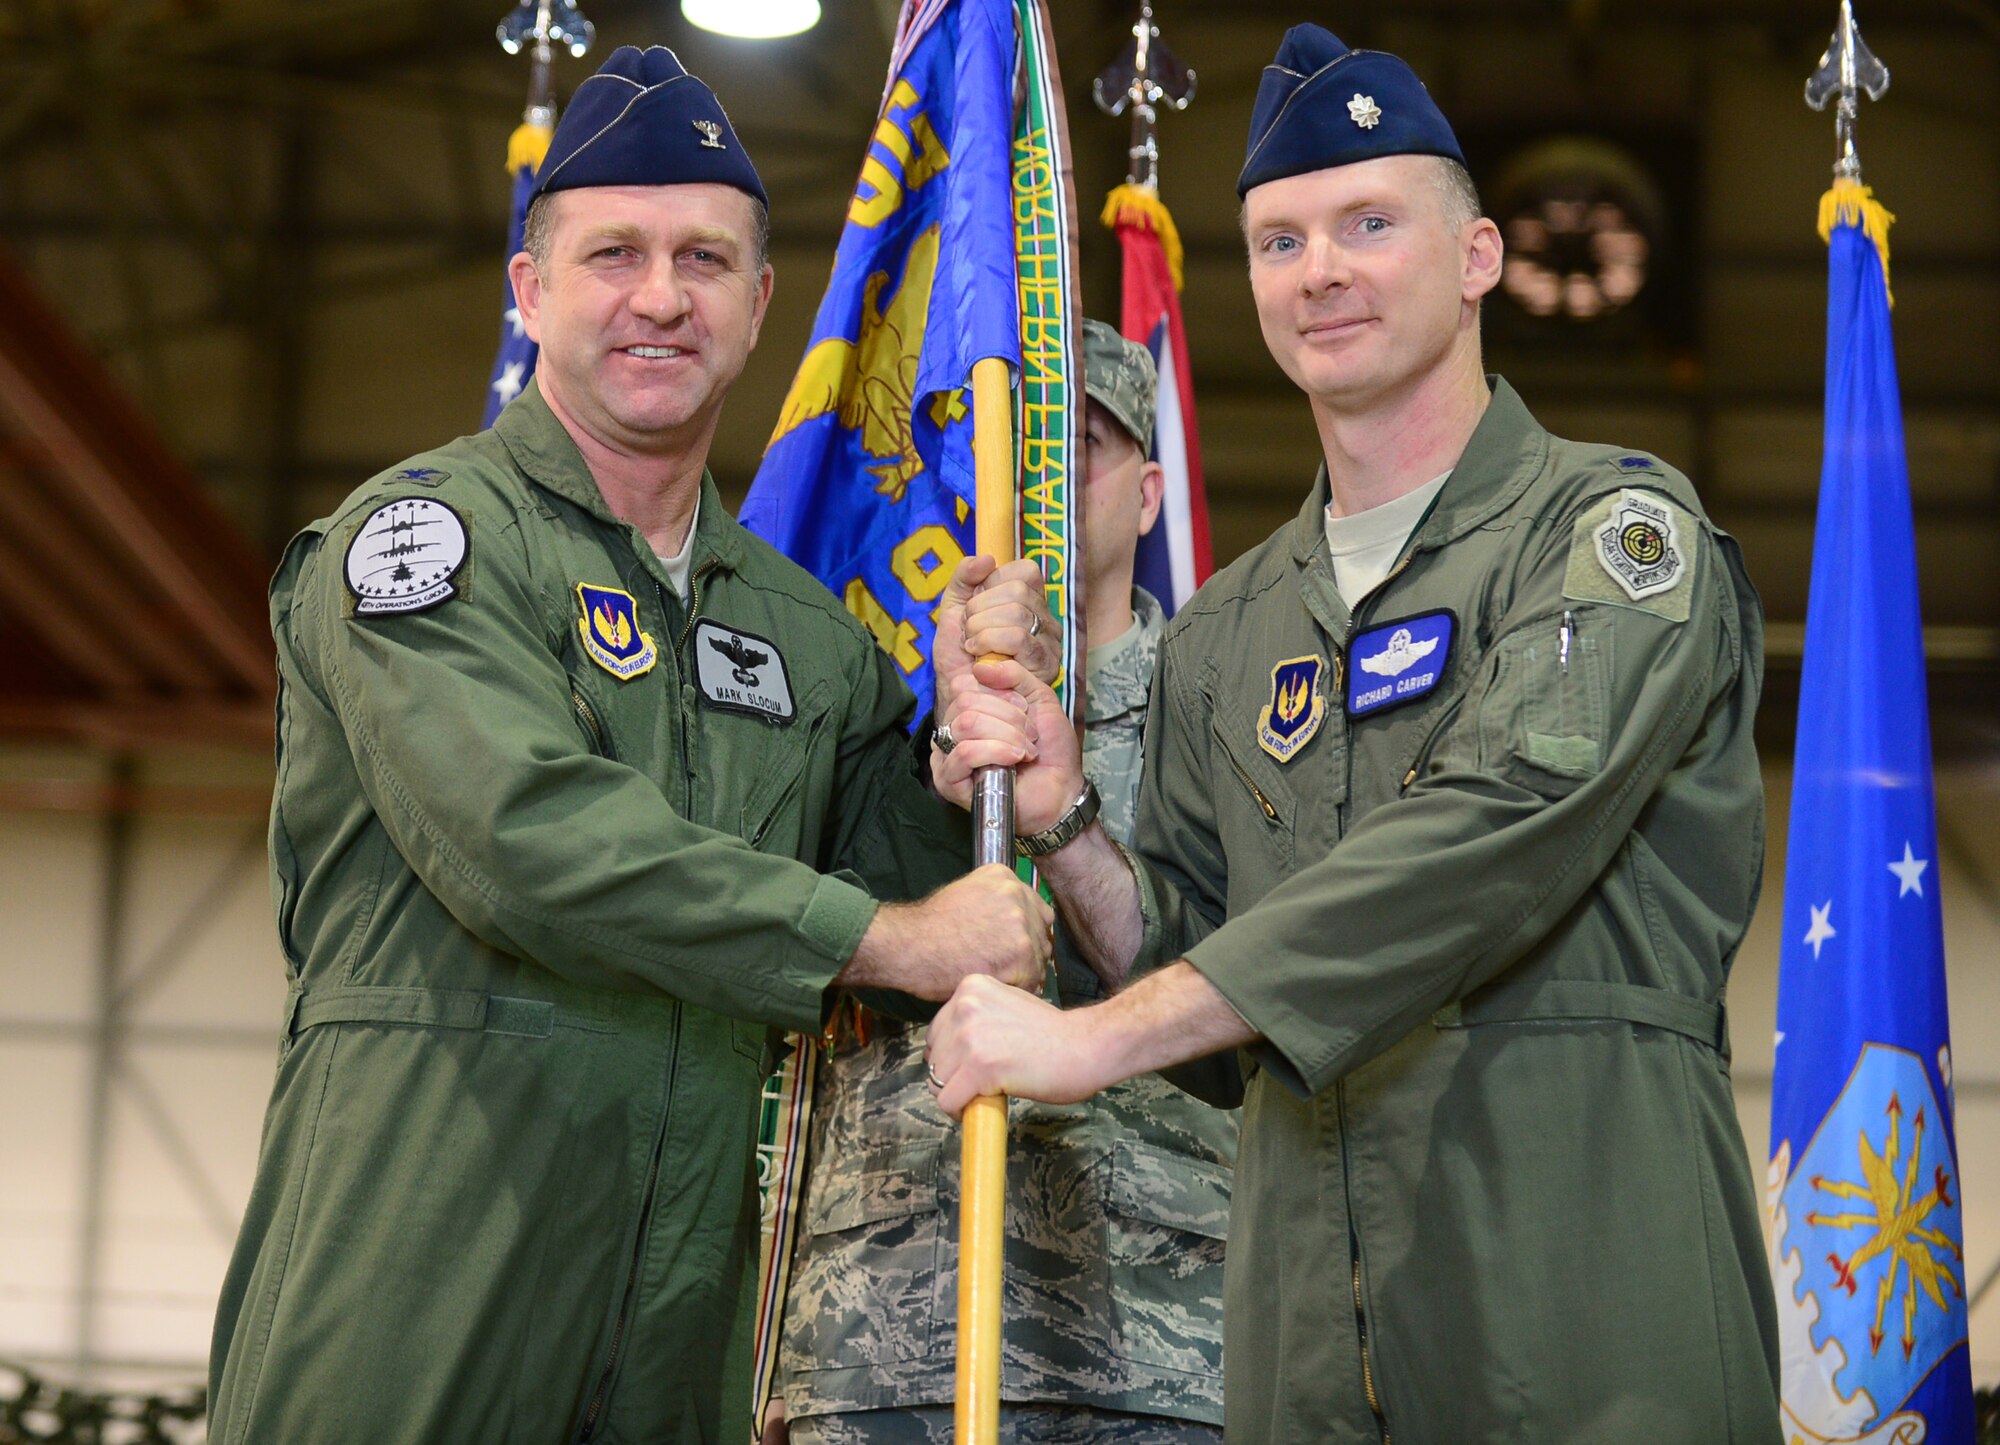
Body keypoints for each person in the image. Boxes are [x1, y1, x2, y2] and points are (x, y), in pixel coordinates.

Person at [925, 25, 1782, 1445]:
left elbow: (1483, 837)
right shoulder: (1226, 628)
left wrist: (1086, 1042)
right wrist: (1070, 821)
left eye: (1369, 223)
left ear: (1479, 255)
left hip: (1584, 1319)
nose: (1319, 269)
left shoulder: (1614, 535)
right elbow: (1206, 996)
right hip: (1308, 1353)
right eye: (1280, 241)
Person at [207, 46, 1052, 1445]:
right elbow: (526, 841)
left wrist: (968, 753)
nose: (661, 296)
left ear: (759, 305)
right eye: (614, 253)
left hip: (682, 1328)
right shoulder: (423, 545)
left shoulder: (809, 635)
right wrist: (891, 936)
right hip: (413, 1288)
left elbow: (925, 911)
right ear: (530, 290)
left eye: (704, 260)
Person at [771, 321, 1235, 1445]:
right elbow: (789, 977)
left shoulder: (1229, 708)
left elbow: (1267, 990)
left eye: (1072, 445)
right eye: (1002, 446)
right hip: (883, 1330)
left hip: (1162, 1338)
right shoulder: (870, 716)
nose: (1029, 480)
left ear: (1149, 495)